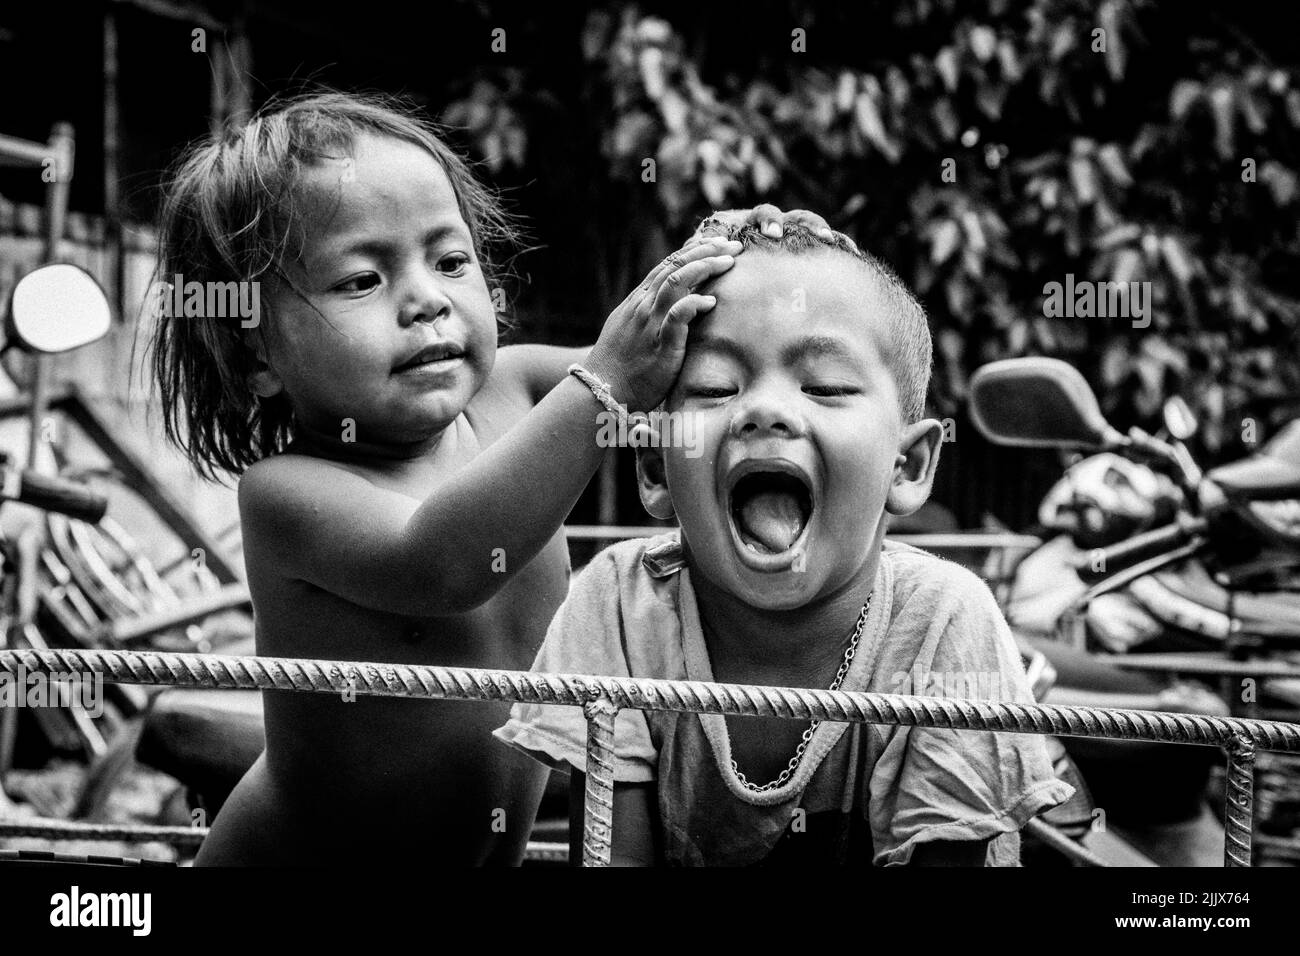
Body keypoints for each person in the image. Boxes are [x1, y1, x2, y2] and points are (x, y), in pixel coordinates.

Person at [148, 90, 757, 864]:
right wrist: (603, 383)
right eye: (362, 280)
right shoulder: (288, 492)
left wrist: (739, 263)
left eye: (449, 260)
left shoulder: (522, 389)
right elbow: (443, 565)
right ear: (258, 358)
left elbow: (673, 381)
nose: (427, 301)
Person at [496, 222, 1075, 866]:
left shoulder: (944, 620)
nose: (764, 411)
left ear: (906, 468)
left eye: (825, 387)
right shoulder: (619, 604)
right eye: (716, 387)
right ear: (657, 469)